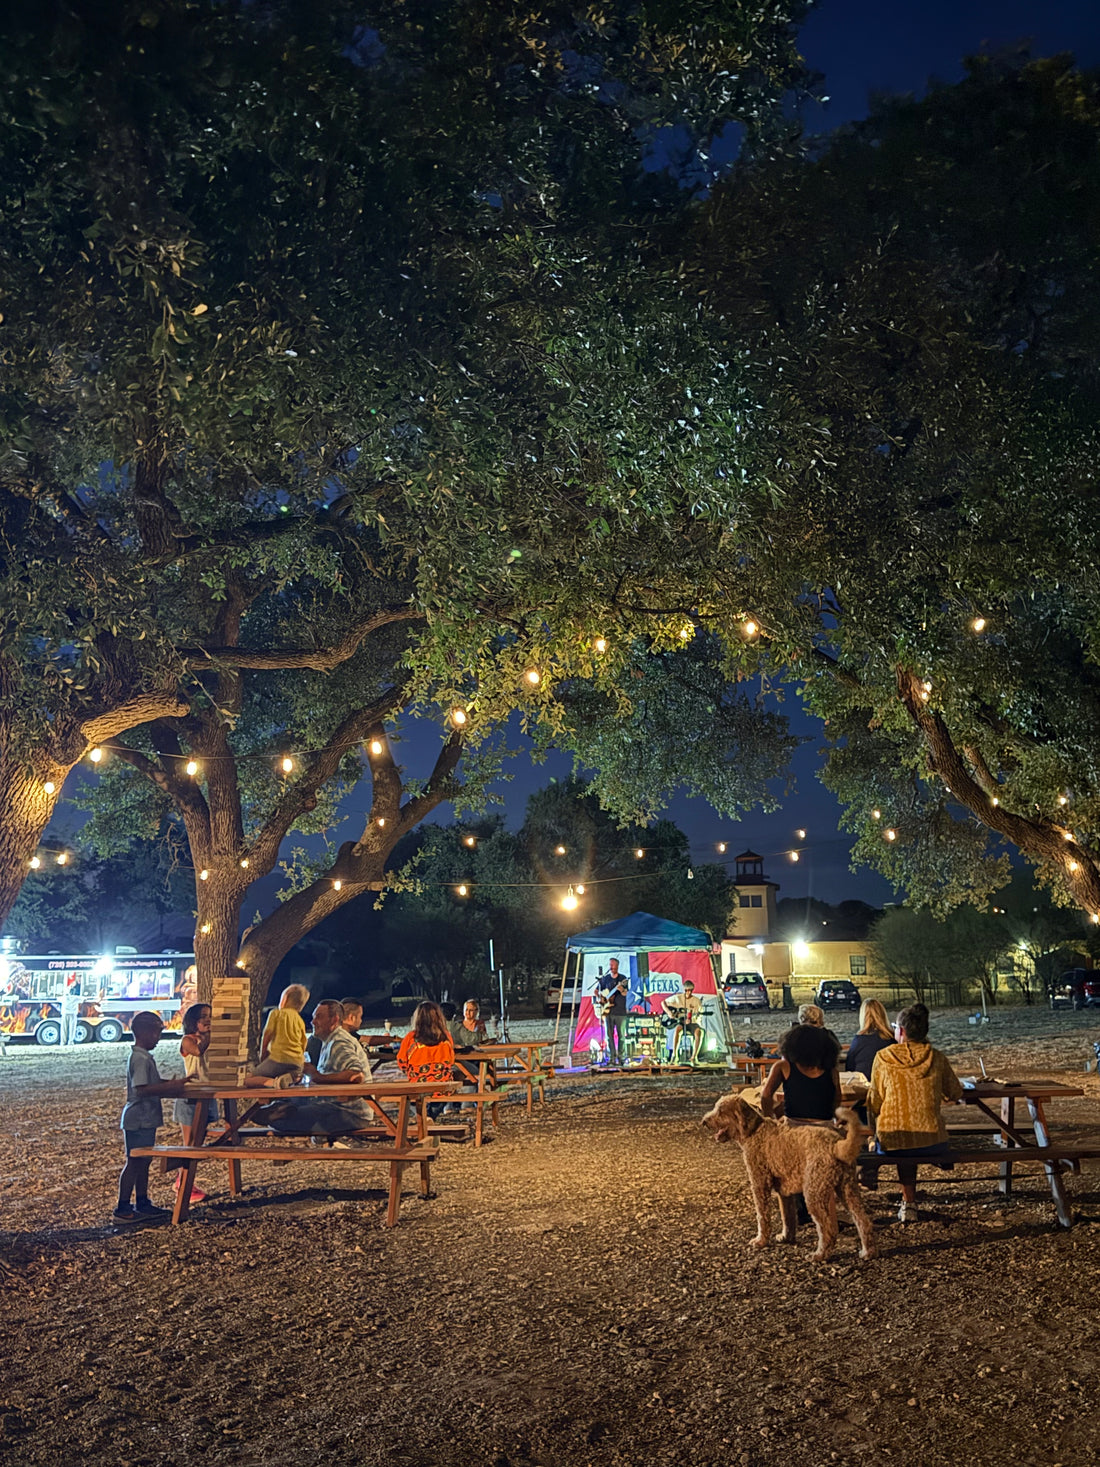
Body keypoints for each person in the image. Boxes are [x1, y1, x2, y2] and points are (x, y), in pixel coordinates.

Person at [867, 1002, 965, 1224]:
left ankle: (908, 1203)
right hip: (933, 1139)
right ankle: (910, 1200)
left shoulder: (883, 1058)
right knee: (915, 1137)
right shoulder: (937, 1057)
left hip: (894, 1140)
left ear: (900, 1031)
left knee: (902, 1138)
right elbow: (955, 1092)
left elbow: (874, 1101)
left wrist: (873, 1133)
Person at [115, 1011, 194, 1222]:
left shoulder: (143, 1057)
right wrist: (172, 1086)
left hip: (145, 1118)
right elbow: (142, 1088)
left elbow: (153, 1083)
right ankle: (123, 1207)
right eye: (156, 1033)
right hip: (139, 1118)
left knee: (143, 1162)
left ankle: (142, 1202)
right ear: (145, 1033)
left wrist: (172, 1086)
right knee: (134, 1161)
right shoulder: (140, 1058)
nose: (158, 1038)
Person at [264, 999, 374, 1139]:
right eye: (313, 1017)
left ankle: (276, 1113)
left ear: (334, 1020)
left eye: (319, 1017)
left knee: (280, 1122)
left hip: (349, 1113)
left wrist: (318, 1077)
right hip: (335, 1106)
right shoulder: (329, 1041)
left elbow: (357, 1075)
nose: (313, 1022)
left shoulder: (339, 1042)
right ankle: (278, 1109)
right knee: (290, 1103)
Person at [172, 1002, 216, 1205]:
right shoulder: (187, 1041)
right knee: (189, 1143)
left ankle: (186, 1181)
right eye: (203, 1017)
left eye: (210, 1016)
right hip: (190, 1096)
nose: (208, 1020)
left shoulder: (210, 1040)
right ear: (193, 1021)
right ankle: (183, 1184)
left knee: (198, 1141)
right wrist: (209, 1036)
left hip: (207, 1094)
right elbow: (198, 1052)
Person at [760, 1022, 843, 1124]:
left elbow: (766, 1095)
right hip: (825, 1128)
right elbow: (837, 1099)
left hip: (793, 1129)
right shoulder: (831, 1070)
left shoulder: (783, 1066)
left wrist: (770, 1120)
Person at [397, 1002, 455, 1120]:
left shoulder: (411, 1038)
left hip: (417, 1087)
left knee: (406, 1097)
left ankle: (424, 1118)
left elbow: (401, 1062)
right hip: (441, 1089)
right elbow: (451, 1061)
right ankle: (428, 1118)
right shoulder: (445, 1037)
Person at [246, 983, 310, 1087]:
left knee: (249, 1080)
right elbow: (303, 1043)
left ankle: (275, 1083)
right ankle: (292, 1077)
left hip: (278, 1059)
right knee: (294, 1076)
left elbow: (267, 1036)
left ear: (284, 998)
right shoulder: (300, 1020)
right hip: (297, 1062)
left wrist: (263, 1056)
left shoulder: (276, 1014)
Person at [665, 979, 705, 1064]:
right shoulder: (678, 998)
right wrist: (669, 1012)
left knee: (698, 1032)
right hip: (681, 1022)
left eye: (690, 990)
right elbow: (663, 1003)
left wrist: (695, 1018)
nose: (688, 992)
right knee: (678, 1029)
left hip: (692, 1022)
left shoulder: (697, 1001)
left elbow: (699, 1015)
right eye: (686, 990)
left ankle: (694, 1056)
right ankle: (674, 1055)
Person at [59, 974, 80, 1048]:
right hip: (73, 1014)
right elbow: (84, 999)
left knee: (64, 1028)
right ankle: (70, 1042)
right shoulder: (76, 998)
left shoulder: (63, 998)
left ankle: (62, 1042)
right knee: (72, 1029)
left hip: (65, 1014)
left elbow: (57, 998)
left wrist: (69, 987)